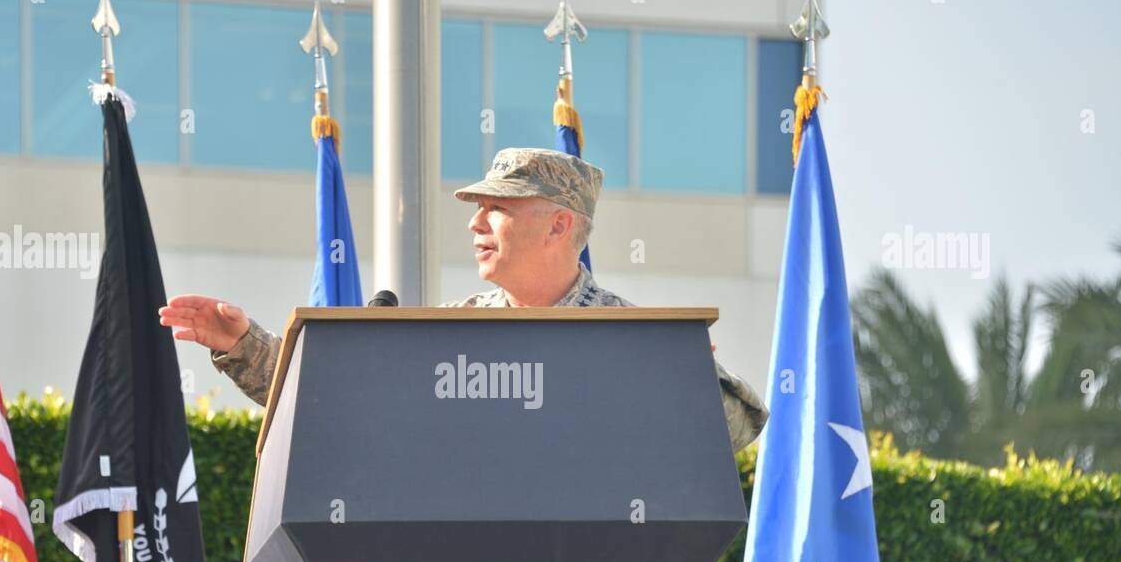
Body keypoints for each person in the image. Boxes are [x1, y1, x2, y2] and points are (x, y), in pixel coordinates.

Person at [158, 147, 768, 451]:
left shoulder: (630, 337)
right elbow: (337, 404)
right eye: (477, 210)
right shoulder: (451, 331)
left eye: (496, 210)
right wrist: (244, 346)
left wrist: (671, 378)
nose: (476, 225)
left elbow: (738, 427)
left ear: (558, 226)